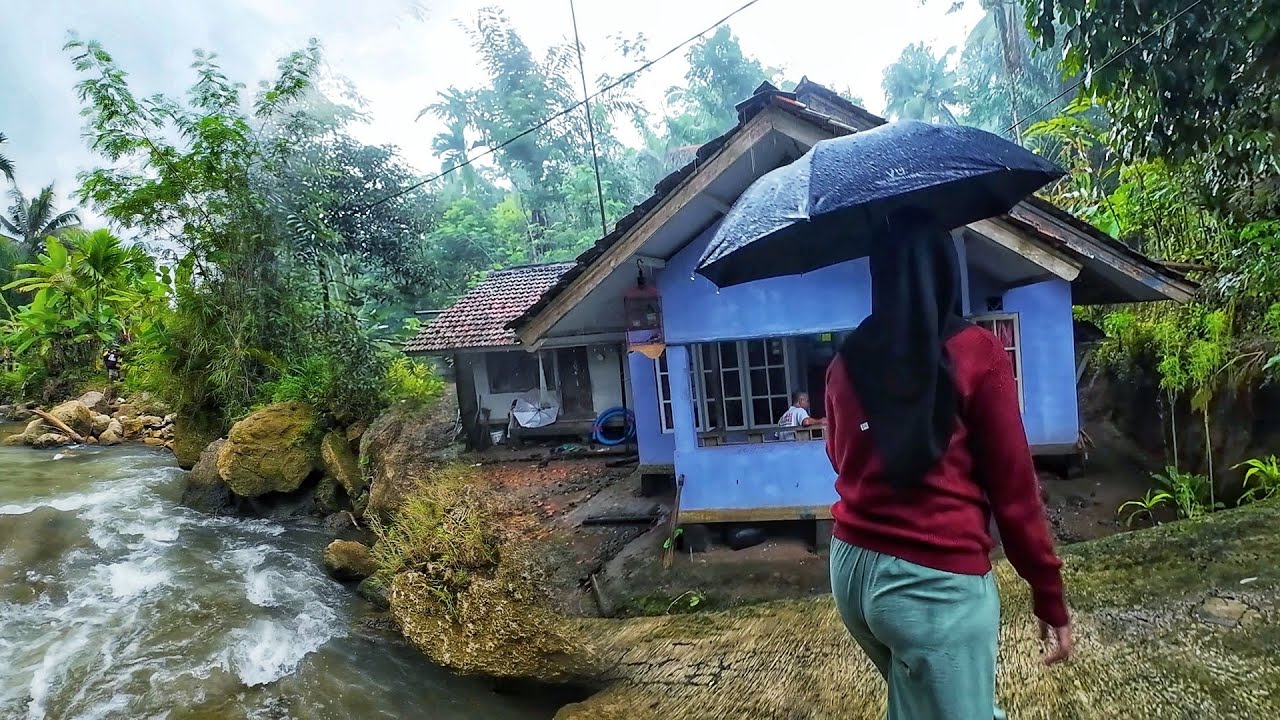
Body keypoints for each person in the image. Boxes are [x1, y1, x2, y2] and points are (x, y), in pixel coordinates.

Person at [824, 209, 1071, 720]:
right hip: (930, 585)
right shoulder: (978, 354)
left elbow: (838, 455)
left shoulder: (844, 362)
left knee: (919, 704)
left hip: (852, 573)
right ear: (945, 269)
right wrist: (1047, 590)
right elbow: (1014, 489)